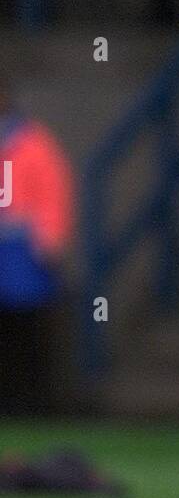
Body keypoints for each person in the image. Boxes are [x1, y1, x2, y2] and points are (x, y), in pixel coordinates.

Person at [0, 74, 75, 413]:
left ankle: (33, 403)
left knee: (27, 329)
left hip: (21, 252)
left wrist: (50, 242)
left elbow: (52, 194)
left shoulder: (32, 143)